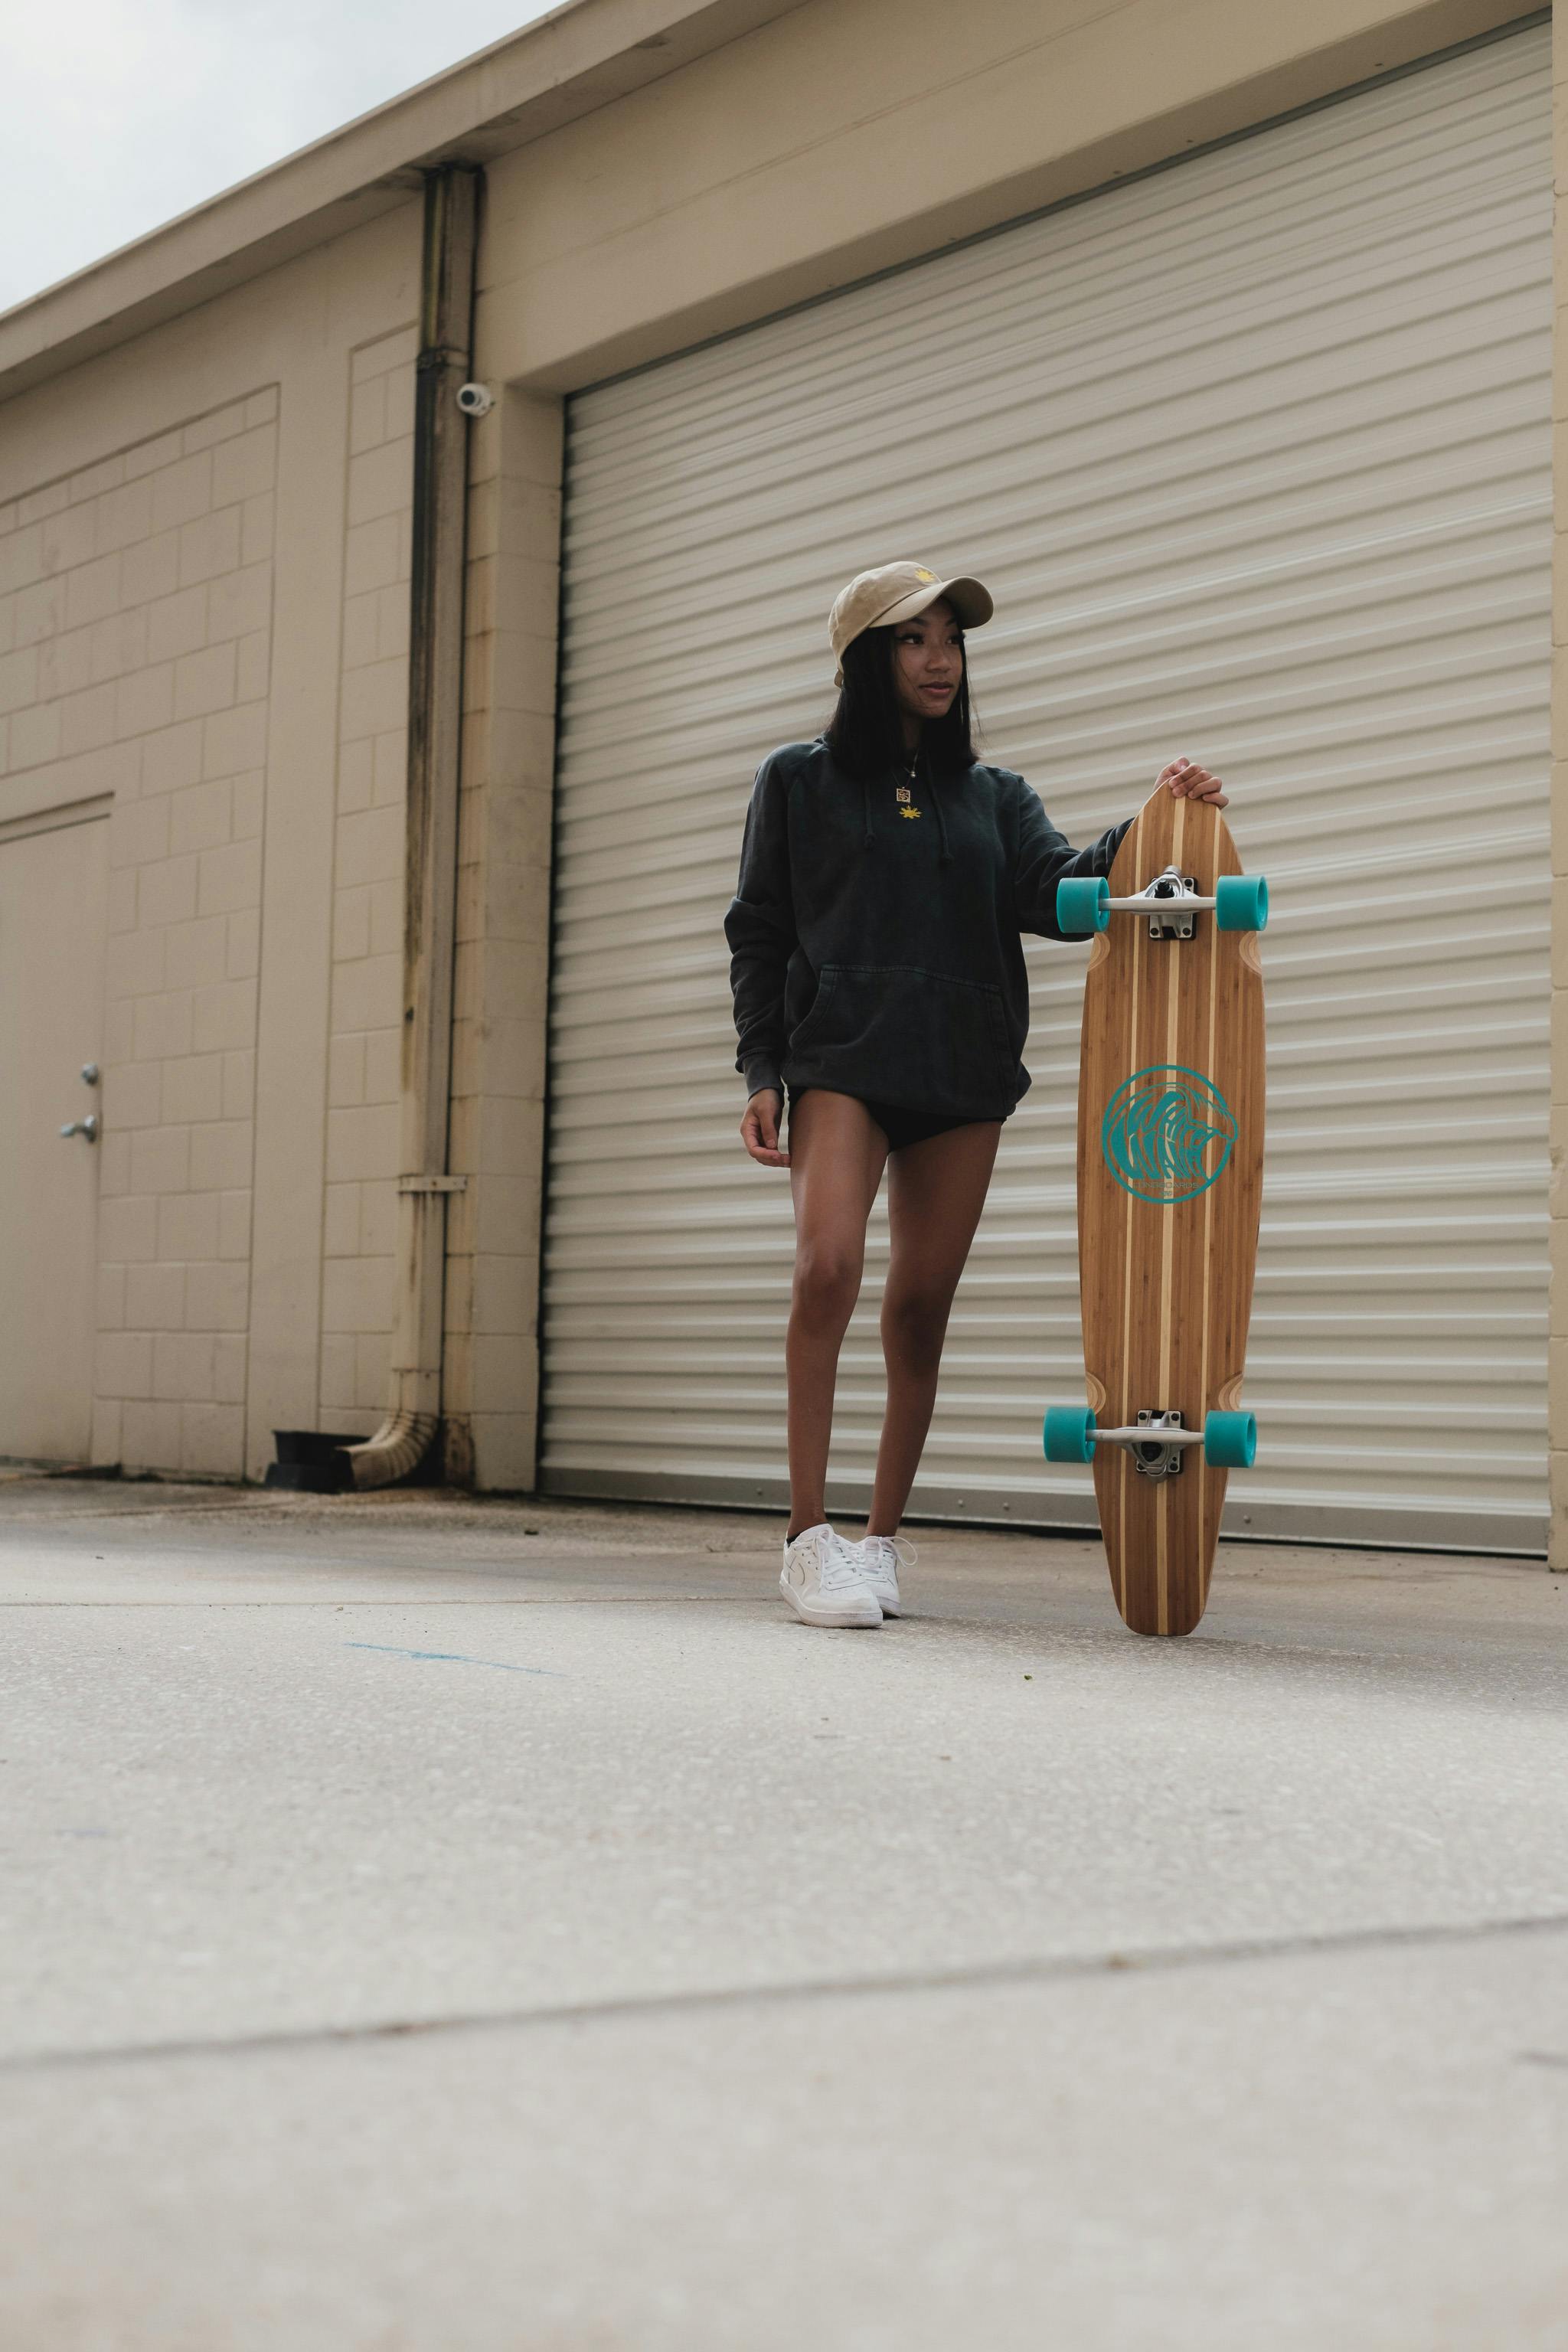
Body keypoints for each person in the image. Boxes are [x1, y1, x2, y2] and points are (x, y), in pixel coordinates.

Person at [723, 561, 1229, 1630]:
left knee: (918, 1309)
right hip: (841, 1060)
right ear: (869, 658)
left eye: (952, 637)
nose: (941, 657)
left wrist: (1160, 821)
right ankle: (807, 1541)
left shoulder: (994, 797)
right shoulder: (798, 781)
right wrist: (762, 1067)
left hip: (961, 1071)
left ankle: (880, 1545)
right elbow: (760, 929)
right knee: (826, 1269)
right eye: (914, 639)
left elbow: (1064, 896)